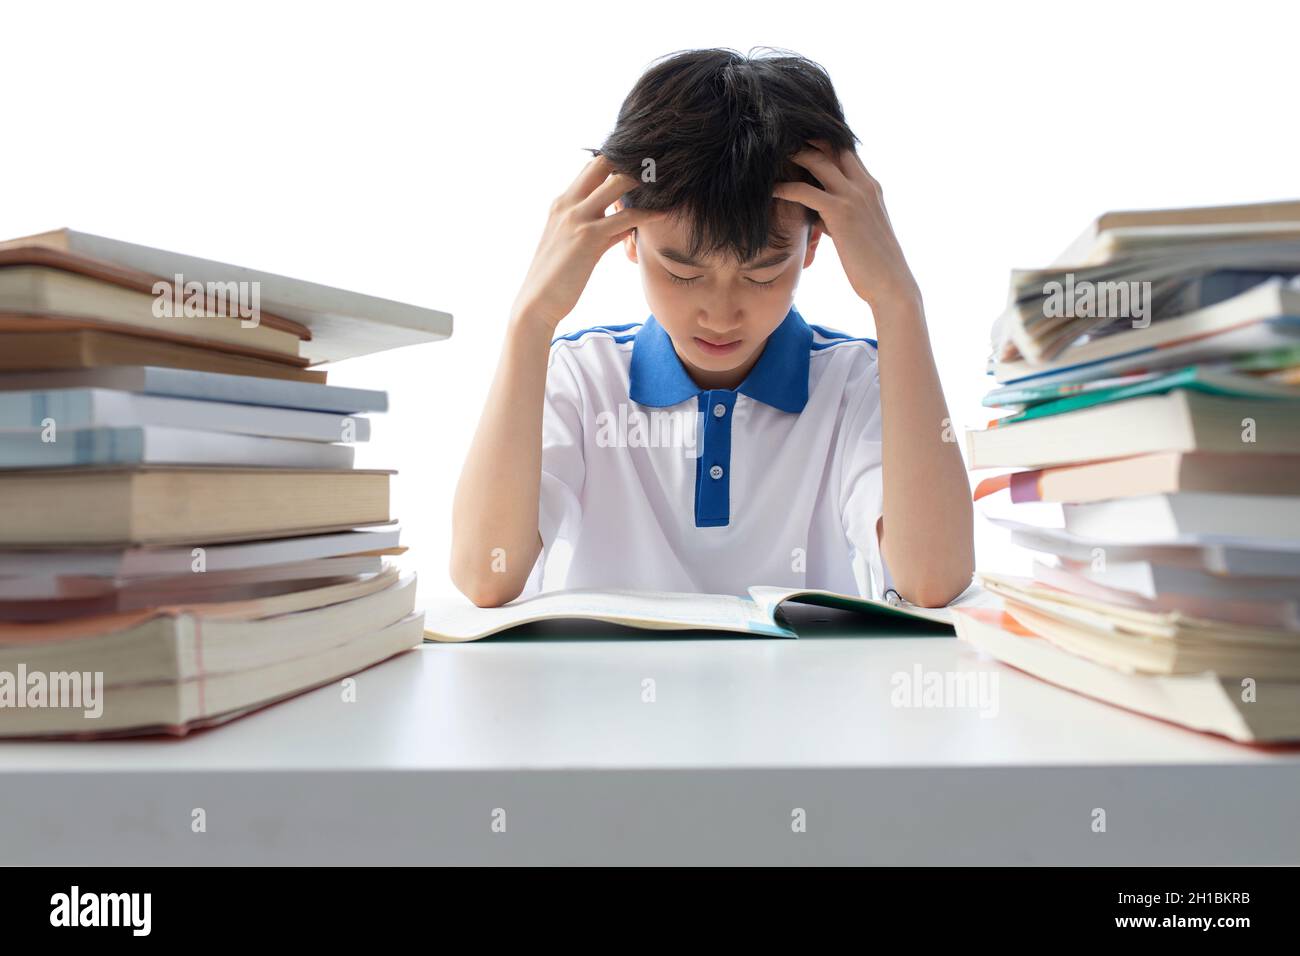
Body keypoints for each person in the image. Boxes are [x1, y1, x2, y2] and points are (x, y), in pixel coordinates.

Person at [451, 48, 974, 607]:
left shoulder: (855, 381)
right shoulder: (582, 379)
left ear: (815, 243)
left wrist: (898, 301)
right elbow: (485, 576)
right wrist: (531, 319)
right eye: (681, 271)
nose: (720, 315)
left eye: (764, 272)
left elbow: (932, 581)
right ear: (625, 237)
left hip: (809, 695)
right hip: (605, 695)